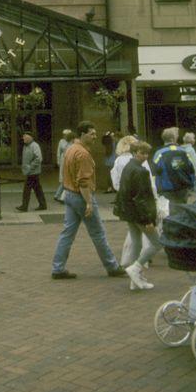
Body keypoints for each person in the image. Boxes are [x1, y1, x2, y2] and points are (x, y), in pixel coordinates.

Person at [51, 120, 126, 280]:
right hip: (80, 196)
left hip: (69, 194)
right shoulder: (83, 154)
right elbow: (83, 182)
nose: (95, 136)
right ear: (82, 134)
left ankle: (57, 268)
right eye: (92, 134)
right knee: (98, 233)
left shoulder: (71, 149)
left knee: (67, 233)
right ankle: (112, 266)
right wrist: (89, 202)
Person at [114, 141, 162, 290]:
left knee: (136, 243)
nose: (145, 156)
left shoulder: (129, 167)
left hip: (129, 212)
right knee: (157, 243)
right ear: (135, 153)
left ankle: (134, 280)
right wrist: (148, 219)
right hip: (140, 214)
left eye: (147, 153)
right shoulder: (141, 171)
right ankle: (136, 269)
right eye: (142, 153)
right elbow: (142, 198)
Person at [152, 127, 195, 207]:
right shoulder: (184, 152)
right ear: (173, 139)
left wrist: (156, 189)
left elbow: (154, 173)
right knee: (182, 209)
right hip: (183, 187)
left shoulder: (159, 153)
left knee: (169, 211)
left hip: (166, 189)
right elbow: (191, 170)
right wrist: (191, 185)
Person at [16, 132, 47, 212]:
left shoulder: (35, 146)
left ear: (30, 138)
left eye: (25, 138)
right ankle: (43, 204)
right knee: (37, 189)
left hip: (33, 172)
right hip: (30, 172)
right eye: (23, 137)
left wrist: (30, 167)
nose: (23, 139)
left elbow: (39, 158)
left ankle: (24, 206)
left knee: (27, 189)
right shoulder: (25, 146)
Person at [54, 129, 74, 202]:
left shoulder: (73, 142)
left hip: (70, 160)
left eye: (67, 135)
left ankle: (59, 195)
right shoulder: (61, 141)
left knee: (67, 179)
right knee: (64, 179)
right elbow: (58, 152)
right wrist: (58, 161)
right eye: (64, 135)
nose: (65, 136)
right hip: (63, 160)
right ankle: (60, 196)